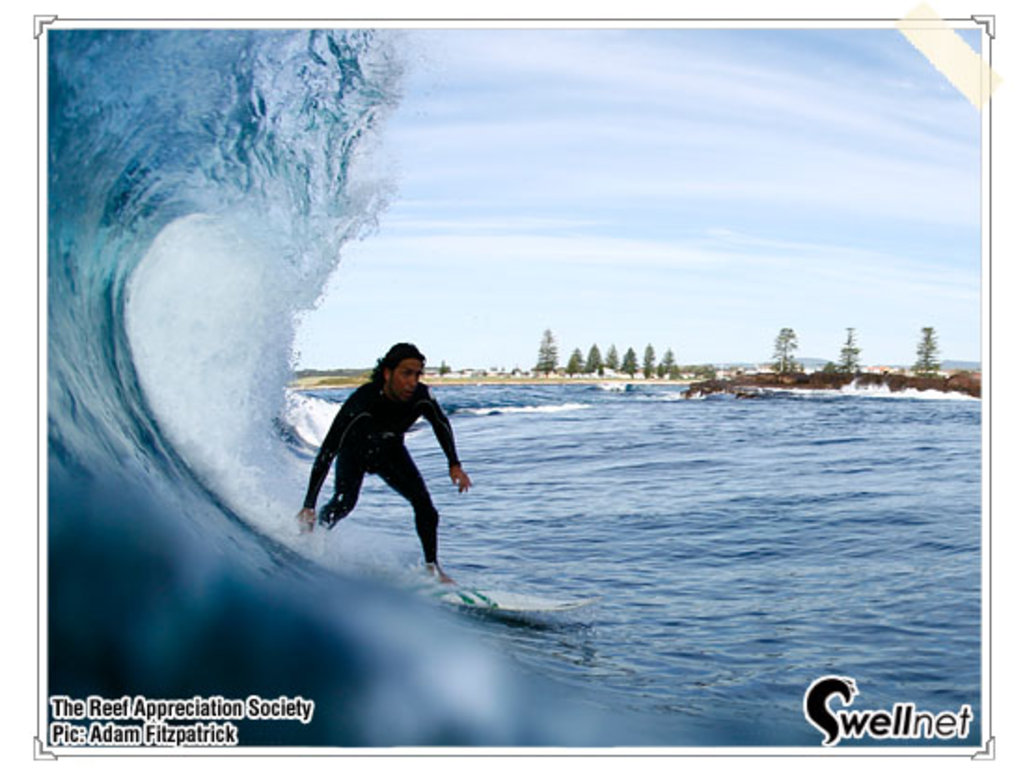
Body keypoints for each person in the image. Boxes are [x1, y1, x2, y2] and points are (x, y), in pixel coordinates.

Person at [297, 343, 471, 583]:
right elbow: (328, 451)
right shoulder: (362, 402)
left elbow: (441, 424)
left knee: (426, 507)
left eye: (418, 374)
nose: (413, 381)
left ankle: (432, 568)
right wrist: (309, 505)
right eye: (406, 373)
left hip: (390, 452)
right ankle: (314, 535)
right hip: (355, 453)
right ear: (388, 373)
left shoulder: (422, 397)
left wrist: (454, 464)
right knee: (345, 502)